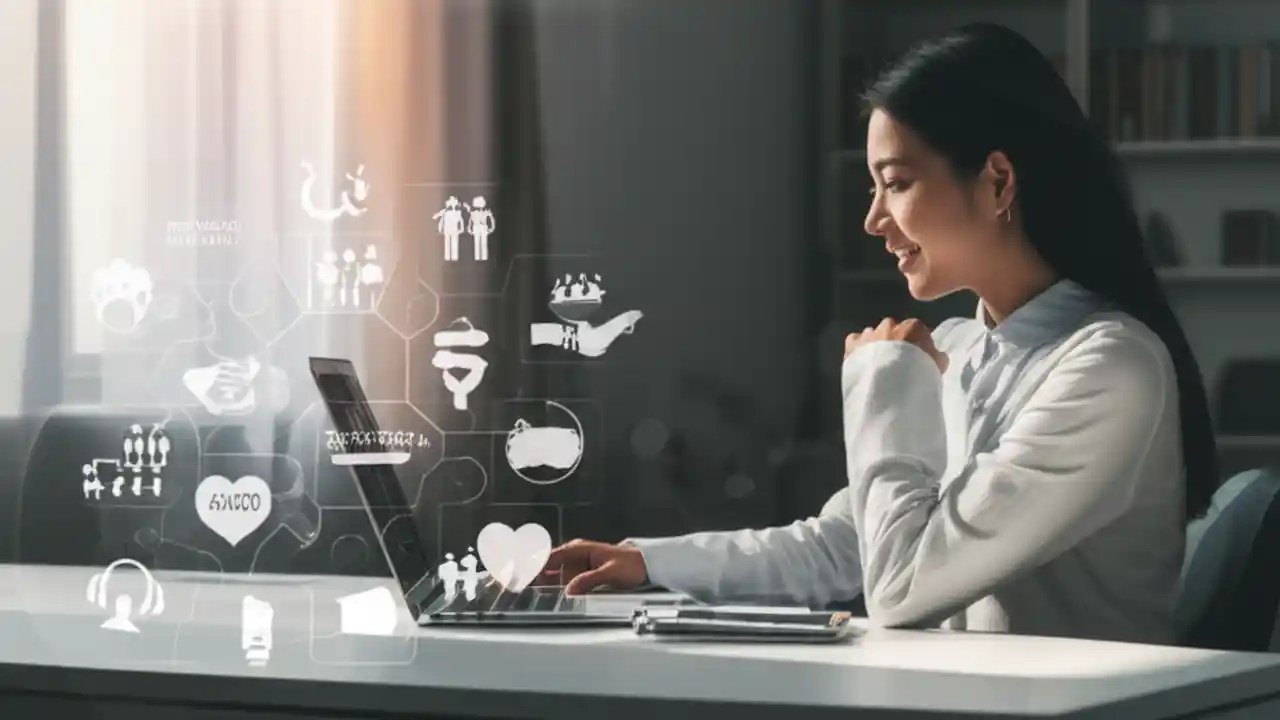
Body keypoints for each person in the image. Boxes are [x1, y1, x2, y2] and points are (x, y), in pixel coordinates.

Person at [543, 23, 1220, 645]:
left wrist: (886, 384)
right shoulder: (956, 346)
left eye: (895, 183)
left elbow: (900, 587)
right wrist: (647, 562)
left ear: (997, 181)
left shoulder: (1109, 367)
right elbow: (848, 543)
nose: (873, 219)